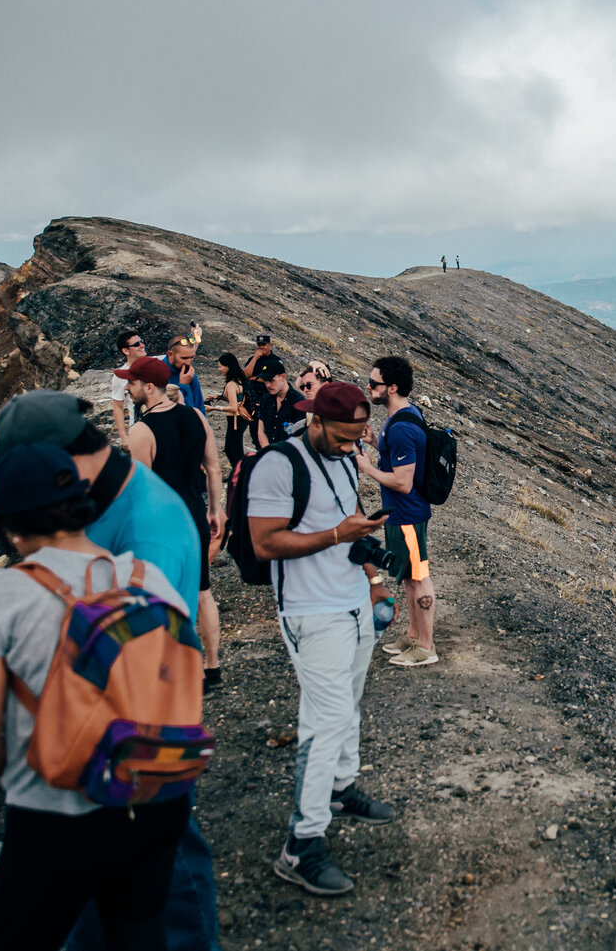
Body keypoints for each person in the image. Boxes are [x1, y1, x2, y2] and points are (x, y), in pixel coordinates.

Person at [0, 391, 217, 951]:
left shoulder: (148, 532)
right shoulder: (108, 497)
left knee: (166, 893)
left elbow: (145, 656)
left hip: (130, 744)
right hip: (108, 739)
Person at [247, 382, 394, 896]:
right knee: (325, 719)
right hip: (311, 611)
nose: (352, 447)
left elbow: (351, 522)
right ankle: (301, 845)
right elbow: (265, 543)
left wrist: (374, 581)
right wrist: (337, 536)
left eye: (358, 438)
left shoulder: (345, 459)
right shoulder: (277, 465)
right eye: (344, 437)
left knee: (348, 705)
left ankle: (340, 787)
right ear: (315, 421)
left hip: (353, 600)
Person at [119, 357, 226, 694]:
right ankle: (212, 669)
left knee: (169, 597)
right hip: (195, 512)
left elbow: (142, 492)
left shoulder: (141, 431)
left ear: (149, 387)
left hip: (164, 524)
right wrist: (215, 510)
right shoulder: (195, 416)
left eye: (132, 383)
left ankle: (186, 672)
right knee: (203, 592)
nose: (127, 387)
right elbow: (214, 467)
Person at [356, 355, 438, 667]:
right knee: (407, 575)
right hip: (399, 514)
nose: (368, 387)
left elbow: (403, 483)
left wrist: (366, 468)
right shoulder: (397, 418)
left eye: (373, 383)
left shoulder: (402, 426)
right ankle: (414, 636)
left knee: (418, 576)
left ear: (391, 388)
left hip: (408, 513)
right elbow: (397, 460)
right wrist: (376, 440)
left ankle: (427, 647)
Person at [210, 353, 251, 469]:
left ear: (227, 367)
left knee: (235, 450)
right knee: (230, 449)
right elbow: (236, 398)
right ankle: (239, 473)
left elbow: (233, 407)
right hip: (239, 420)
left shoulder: (231, 384)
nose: (219, 369)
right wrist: (218, 397)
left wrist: (213, 408)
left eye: (220, 366)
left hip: (235, 420)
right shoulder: (239, 380)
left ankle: (241, 475)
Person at [253, 359, 303, 449]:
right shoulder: (265, 399)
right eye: (265, 381)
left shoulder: (298, 402)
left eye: (272, 380)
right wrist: (269, 452)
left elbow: (300, 437)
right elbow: (261, 430)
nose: (268, 385)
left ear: (283, 377)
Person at [109, 330, 146, 447]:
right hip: (138, 431)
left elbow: (179, 355)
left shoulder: (156, 365)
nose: (142, 345)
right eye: (136, 344)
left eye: (142, 342)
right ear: (125, 351)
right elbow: (117, 407)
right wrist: (124, 438)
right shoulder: (119, 376)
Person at [244, 334, 283, 425]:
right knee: (254, 427)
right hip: (253, 398)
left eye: (264, 345)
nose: (261, 347)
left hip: (268, 396)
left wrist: (254, 378)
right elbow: (245, 376)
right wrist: (255, 358)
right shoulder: (252, 359)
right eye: (259, 345)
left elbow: (274, 379)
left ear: (270, 345)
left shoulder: (275, 360)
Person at [165, 335, 206, 411]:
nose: (188, 362)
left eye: (192, 357)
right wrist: (184, 385)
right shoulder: (158, 372)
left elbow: (199, 405)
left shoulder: (190, 373)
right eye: (184, 358)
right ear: (170, 354)